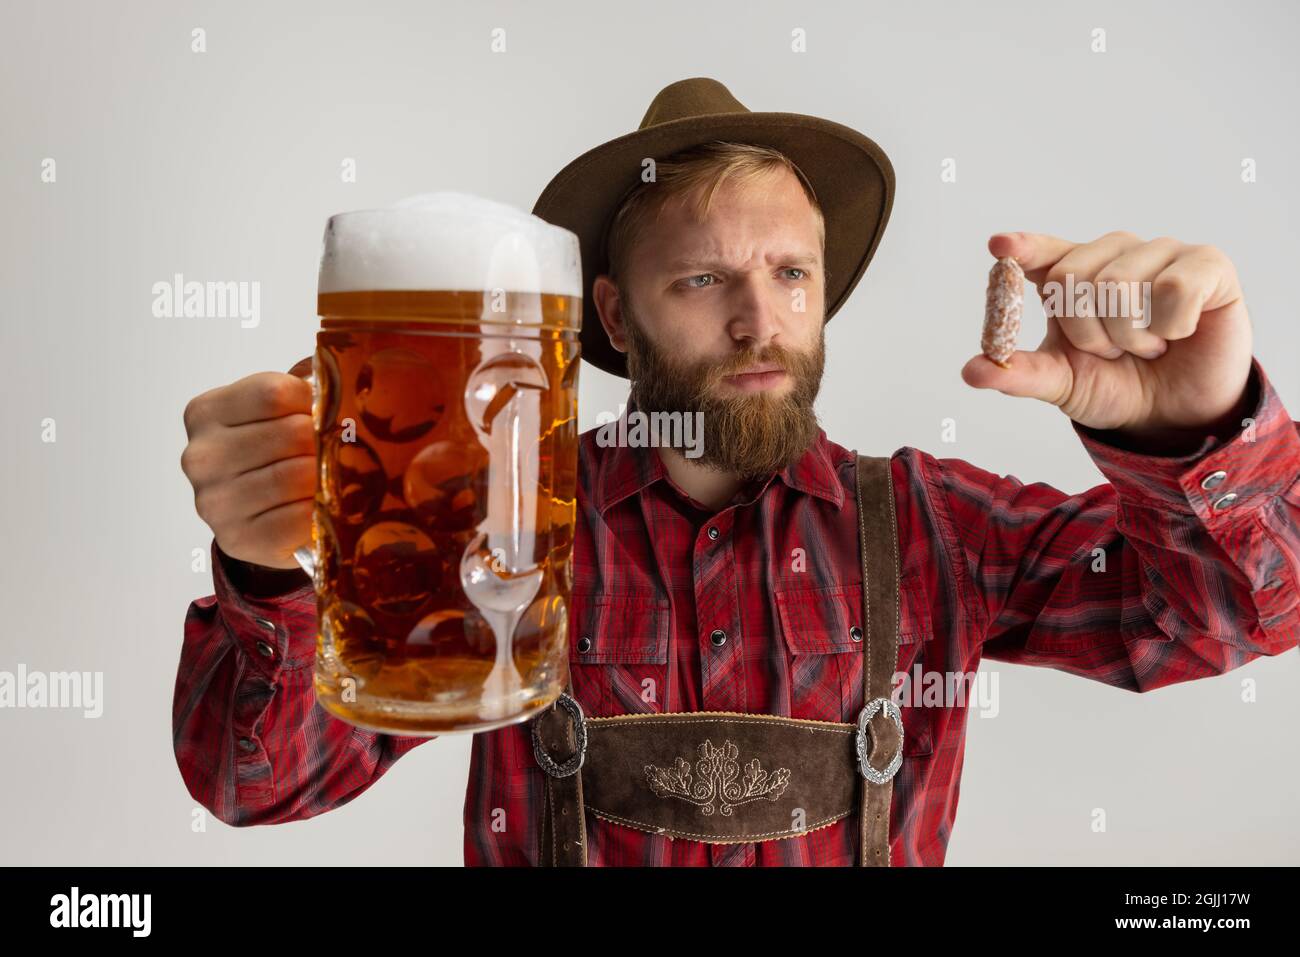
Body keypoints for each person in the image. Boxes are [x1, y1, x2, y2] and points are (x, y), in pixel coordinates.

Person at [174, 77, 1300, 866]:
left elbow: (1230, 615)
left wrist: (1194, 429)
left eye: (791, 273)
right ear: (612, 313)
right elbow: (255, 785)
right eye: (705, 281)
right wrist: (266, 576)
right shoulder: (495, 518)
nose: (762, 321)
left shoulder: (929, 524)